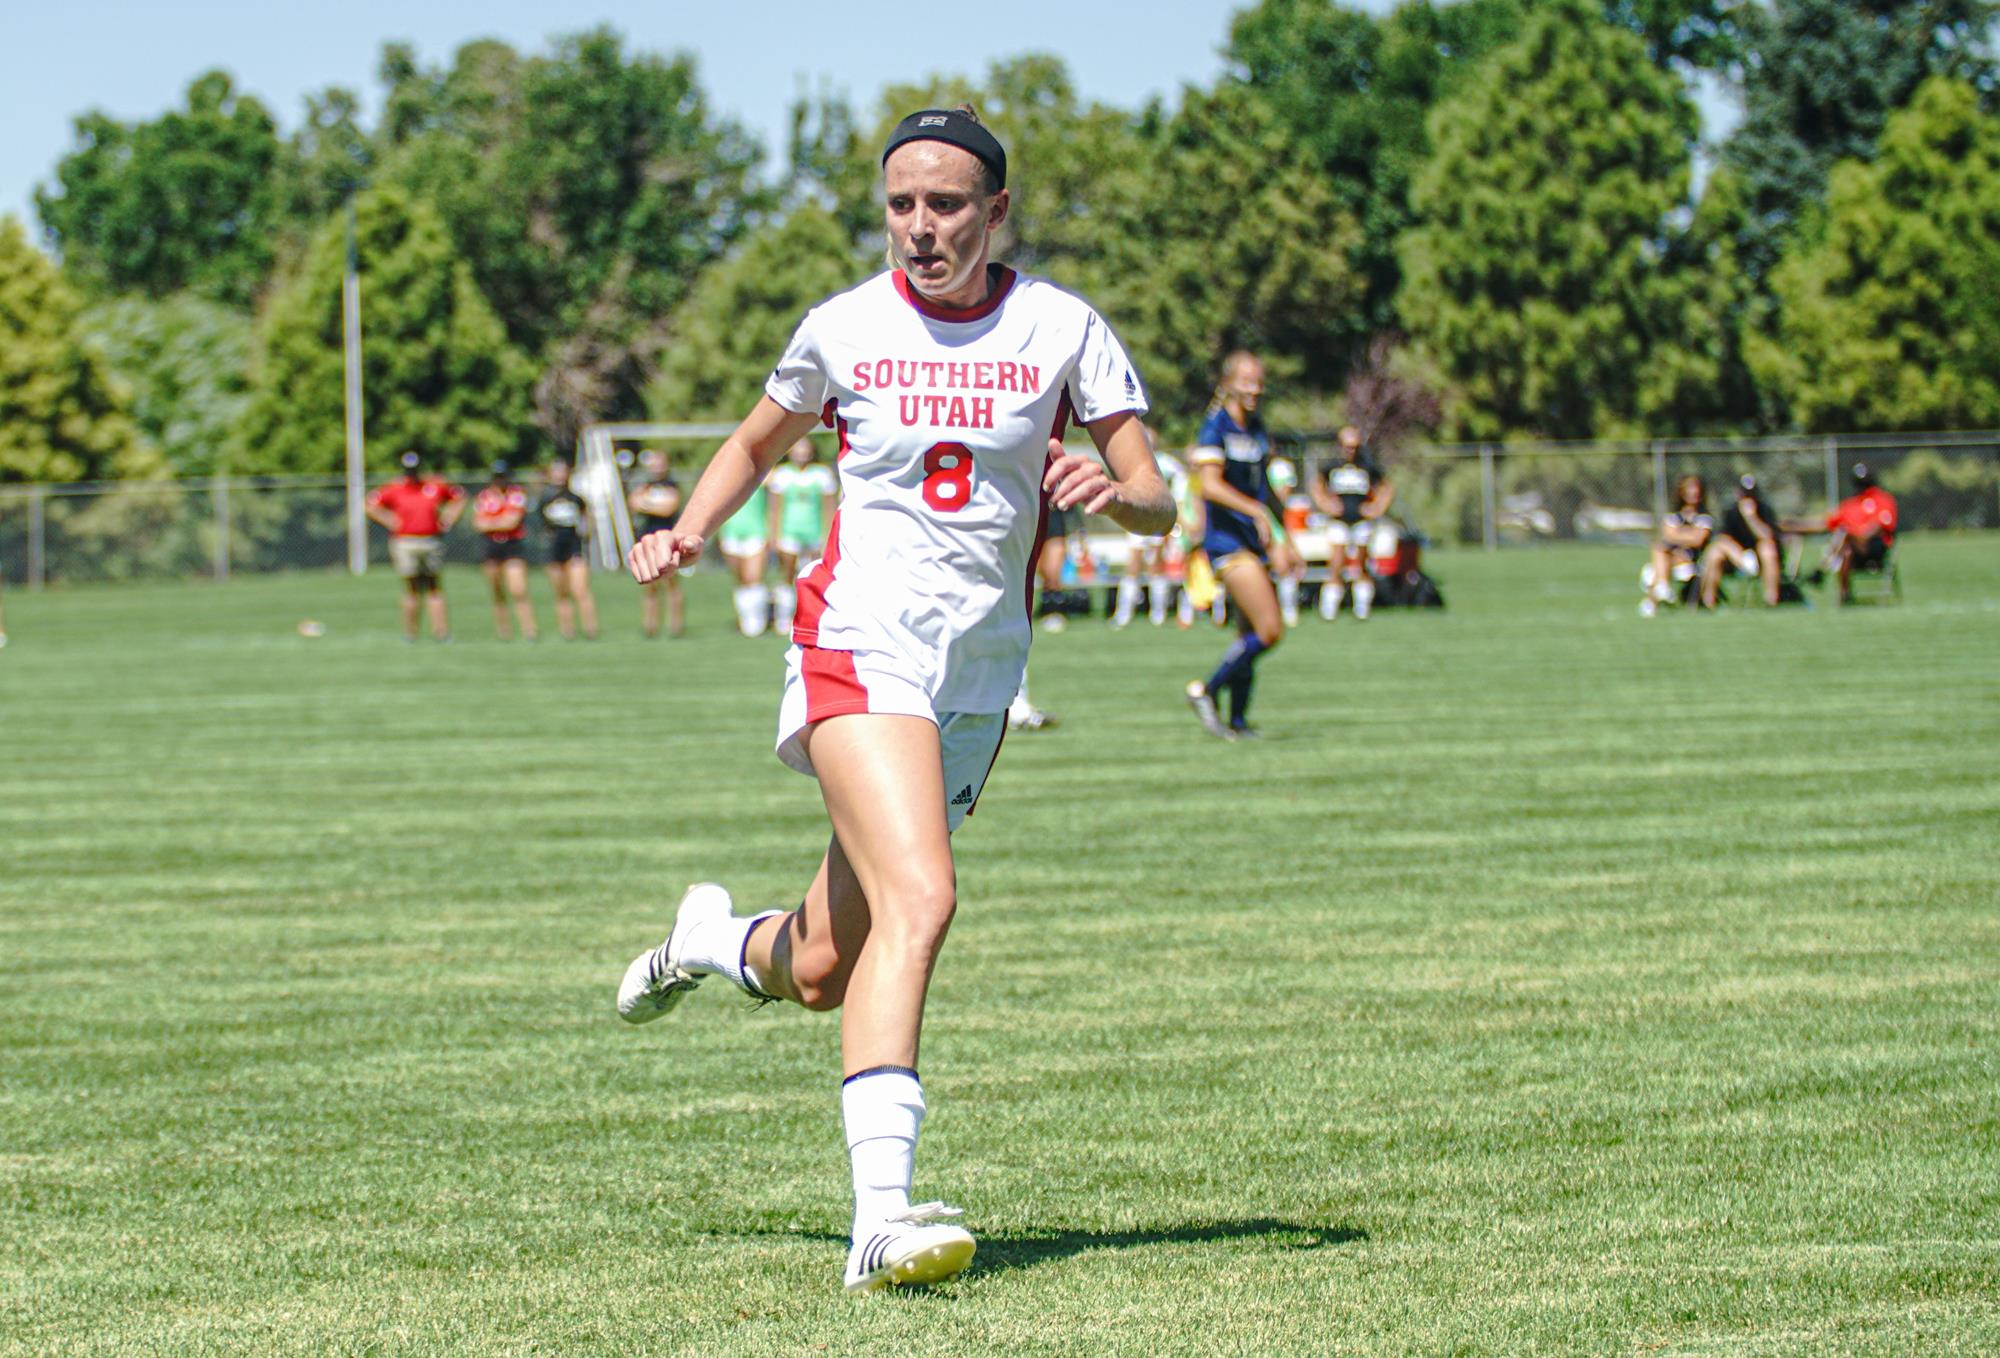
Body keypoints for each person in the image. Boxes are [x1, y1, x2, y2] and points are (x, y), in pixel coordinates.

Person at [614, 105, 1171, 1295]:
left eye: (948, 204)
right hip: (858, 642)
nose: (921, 227)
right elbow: (757, 442)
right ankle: (878, 1221)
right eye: (901, 204)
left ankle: (712, 937)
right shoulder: (844, 327)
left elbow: (1154, 493)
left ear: (996, 212)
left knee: (822, 967)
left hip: (978, 674)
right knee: (924, 895)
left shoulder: (1061, 327)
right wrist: (687, 529)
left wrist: (1109, 494)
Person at [1183, 351, 1294, 739]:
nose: (1255, 388)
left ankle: (1239, 721)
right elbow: (1210, 485)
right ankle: (1207, 690)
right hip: (1226, 542)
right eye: (1247, 380)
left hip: (1253, 541)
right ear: (1228, 382)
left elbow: (1266, 490)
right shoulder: (1216, 427)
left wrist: (1286, 538)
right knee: (1269, 630)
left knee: (1247, 633)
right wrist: (1257, 512)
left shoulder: (1258, 428)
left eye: (1259, 381)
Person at [365, 451, 464, 642]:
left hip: (431, 540)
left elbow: (458, 497)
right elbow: (370, 503)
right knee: (411, 588)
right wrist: (390, 520)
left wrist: (448, 518)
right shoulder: (395, 487)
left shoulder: (433, 485)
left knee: (434, 587)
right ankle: (411, 633)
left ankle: (441, 632)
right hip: (405, 542)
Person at [1310, 425, 1395, 621]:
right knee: (1336, 563)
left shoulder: (1366, 466)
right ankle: (1330, 608)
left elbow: (1386, 487)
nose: (1351, 451)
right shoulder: (1332, 466)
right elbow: (1317, 486)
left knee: (1361, 564)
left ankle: (1362, 608)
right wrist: (1325, 504)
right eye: (1347, 446)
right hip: (1338, 521)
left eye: (1354, 446)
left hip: (1361, 520)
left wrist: (1377, 508)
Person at [768, 437, 839, 635]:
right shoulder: (782, 475)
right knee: (787, 575)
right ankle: (784, 617)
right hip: (789, 532)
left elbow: (829, 508)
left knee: (813, 575)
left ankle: (812, 617)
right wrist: (773, 534)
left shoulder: (821, 474)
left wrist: (828, 535)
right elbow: (775, 508)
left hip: (813, 532)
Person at [1111, 438, 1182, 629]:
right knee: (1133, 565)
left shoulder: (1166, 464)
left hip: (1157, 520)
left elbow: (1180, 484)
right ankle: (1124, 612)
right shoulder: (1131, 463)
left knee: (1155, 566)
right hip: (1137, 519)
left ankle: (1158, 612)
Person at [1814, 463, 1898, 604]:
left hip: (1874, 547)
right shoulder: (1850, 504)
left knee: (1846, 534)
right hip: (1851, 550)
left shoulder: (1883, 499)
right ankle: (1845, 595)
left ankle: (1822, 567)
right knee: (1846, 550)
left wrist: (1861, 535)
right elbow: (1827, 523)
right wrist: (1793, 525)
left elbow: (1882, 525)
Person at [472, 461, 538, 641]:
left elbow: (512, 521)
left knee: (518, 589)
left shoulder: (516, 494)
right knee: (496, 590)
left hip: (511, 545)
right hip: (491, 546)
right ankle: (504, 631)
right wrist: (498, 522)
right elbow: (478, 524)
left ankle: (529, 630)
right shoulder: (484, 496)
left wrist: (491, 523)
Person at [537, 458, 599, 640]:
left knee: (580, 589)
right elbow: (542, 524)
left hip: (574, 546)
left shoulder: (575, 498)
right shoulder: (545, 499)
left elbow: (587, 519)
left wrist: (587, 532)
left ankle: (590, 629)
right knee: (561, 591)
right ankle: (568, 631)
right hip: (554, 548)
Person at [1699, 474, 1782, 609]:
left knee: (1767, 549)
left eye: (1751, 495)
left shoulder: (1764, 510)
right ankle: (1708, 602)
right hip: (1735, 558)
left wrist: (1751, 518)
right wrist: (1742, 558)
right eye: (1745, 495)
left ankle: (1771, 600)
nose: (1748, 499)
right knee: (1716, 553)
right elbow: (1722, 538)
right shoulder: (1730, 512)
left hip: (1761, 560)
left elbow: (1768, 536)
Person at [628, 449, 685, 638]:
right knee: (649, 583)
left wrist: (647, 505)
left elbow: (669, 509)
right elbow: (634, 503)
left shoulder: (671, 484)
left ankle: (675, 625)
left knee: (671, 583)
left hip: (668, 538)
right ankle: (650, 625)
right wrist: (653, 506)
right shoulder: (645, 485)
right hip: (648, 537)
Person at [1639, 474, 1712, 617]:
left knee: (1660, 553)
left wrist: (1678, 534)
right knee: (1660, 549)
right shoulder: (1674, 516)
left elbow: (1698, 540)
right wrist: (1688, 535)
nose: (1693, 493)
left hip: (1692, 560)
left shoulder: (1704, 517)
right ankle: (1662, 587)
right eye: (1689, 489)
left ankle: (1652, 600)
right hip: (1672, 557)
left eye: (1696, 489)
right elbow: (1667, 535)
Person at [717, 466, 774, 636]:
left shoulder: (762, 476)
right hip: (731, 532)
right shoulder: (724, 479)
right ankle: (745, 618)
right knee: (741, 579)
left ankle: (757, 621)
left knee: (754, 577)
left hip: (756, 532)